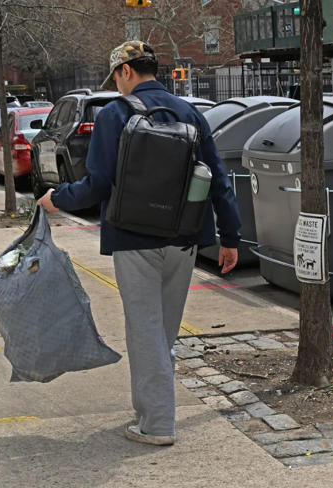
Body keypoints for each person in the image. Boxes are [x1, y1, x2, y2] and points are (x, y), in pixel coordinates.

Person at [37, 41, 242, 446]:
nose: (117, 84)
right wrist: (229, 237)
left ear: (126, 71)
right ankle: (151, 407)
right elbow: (218, 179)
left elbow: (97, 183)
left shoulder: (115, 115)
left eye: (116, 77)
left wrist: (56, 198)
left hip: (134, 239)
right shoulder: (189, 112)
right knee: (163, 331)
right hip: (183, 240)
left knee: (144, 331)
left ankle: (157, 423)